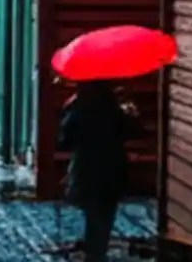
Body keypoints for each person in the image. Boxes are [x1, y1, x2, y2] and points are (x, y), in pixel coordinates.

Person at [57, 80, 138, 262]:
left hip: (86, 169)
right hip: (112, 168)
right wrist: (131, 114)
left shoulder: (79, 110)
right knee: (105, 212)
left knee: (92, 212)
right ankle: (97, 250)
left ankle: (93, 251)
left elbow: (64, 139)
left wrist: (68, 110)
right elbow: (132, 132)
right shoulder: (114, 110)